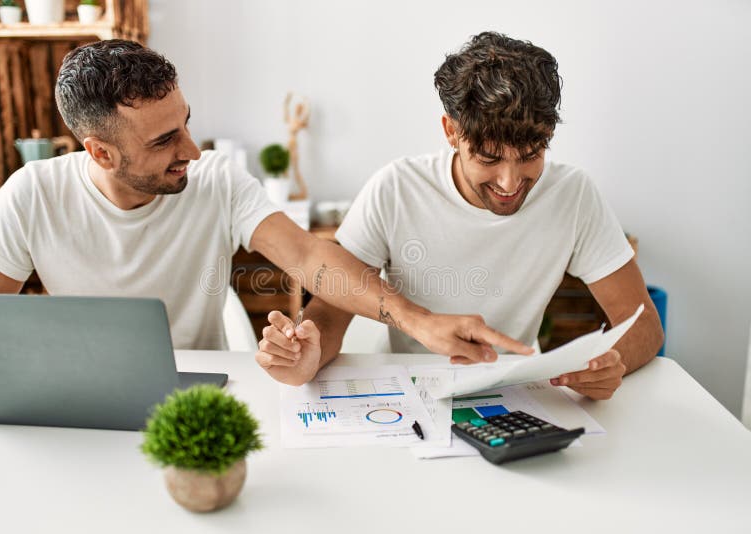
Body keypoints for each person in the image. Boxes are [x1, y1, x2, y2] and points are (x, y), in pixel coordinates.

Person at [0, 39, 531, 363]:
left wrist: (418, 321)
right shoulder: (33, 194)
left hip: (198, 385)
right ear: (100, 153)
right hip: (80, 400)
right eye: (163, 141)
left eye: (185, 123)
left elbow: (309, 259)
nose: (191, 149)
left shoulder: (217, 182)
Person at [255, 32, 664, 399]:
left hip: (520, 391)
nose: (509, 182)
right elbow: (329, 312)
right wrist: (306, 355)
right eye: (488, 158)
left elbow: (643, 325)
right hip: (412, 391)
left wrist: (612, 361)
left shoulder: (573, 196)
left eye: (531, 156)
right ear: (451, 131)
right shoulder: (396, 188)